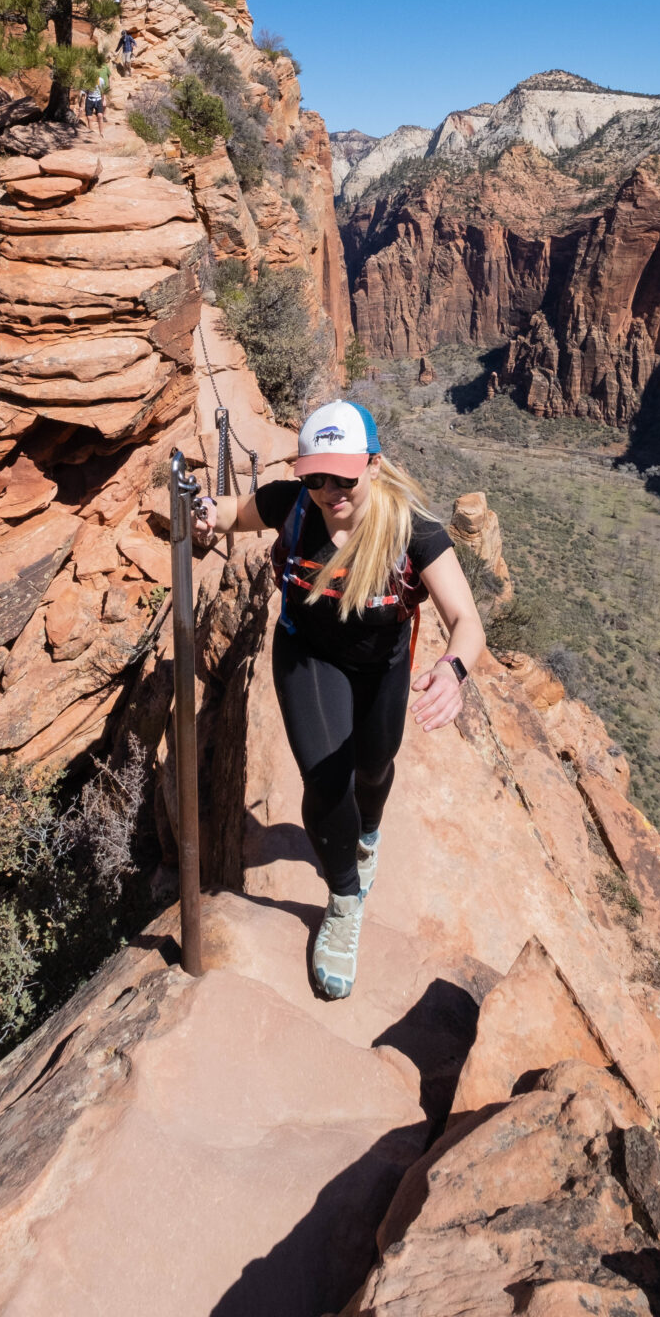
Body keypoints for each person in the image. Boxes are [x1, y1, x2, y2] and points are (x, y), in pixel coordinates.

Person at [192, 399, 486, 1000]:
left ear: (373, 466)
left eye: (344, 476)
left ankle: (369, 834)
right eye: (317, 476)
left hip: (382, 667)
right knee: (328, 781)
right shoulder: (292, 505)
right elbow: (228, 513)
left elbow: (465, 619)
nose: (330, 490)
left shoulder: (413, 530)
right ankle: (345, 899)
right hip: (308, 656)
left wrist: (454, 671)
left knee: (374, 768)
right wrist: (204, 518)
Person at [83, 59, 111, 137]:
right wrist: (82, 104)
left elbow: (103, 90)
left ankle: (101, 133)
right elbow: (83, 93)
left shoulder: (100, 80)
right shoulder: (87, 81)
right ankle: (91, 133)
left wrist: (104, 100)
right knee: (89, 118)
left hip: (98, 99)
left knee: (100, 116)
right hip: (89, 99)